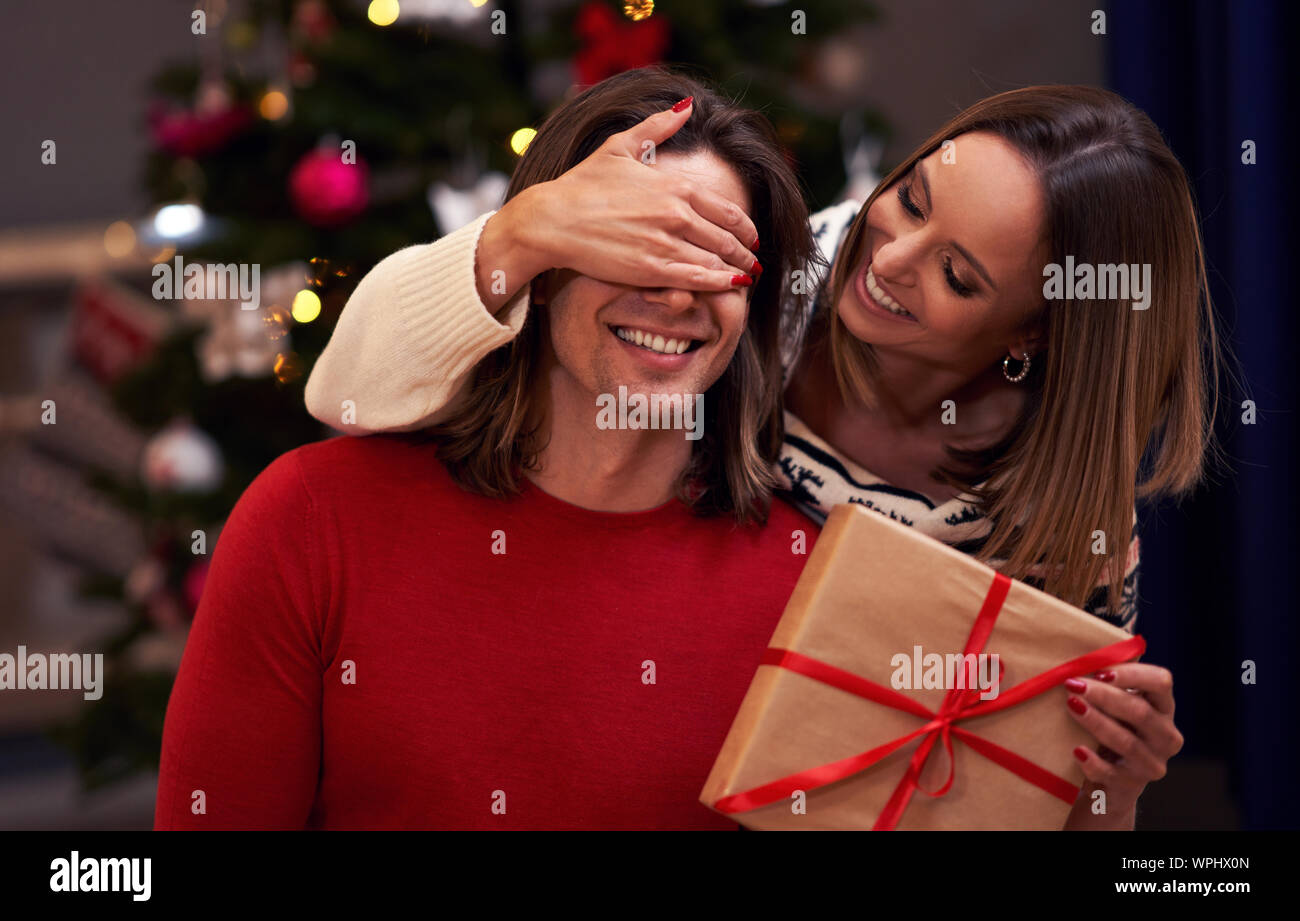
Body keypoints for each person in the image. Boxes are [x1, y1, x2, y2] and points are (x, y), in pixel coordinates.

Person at [306, 73, 1220, 829]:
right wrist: (522, 232)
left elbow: (1016, 810)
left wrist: (1111, 787)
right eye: (908, 199)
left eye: (958, 274)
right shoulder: (764, 280)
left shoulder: (1056, 525)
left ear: (1038, 333)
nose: (892, 258)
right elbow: (346, 390)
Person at [155, 70, 819, 830]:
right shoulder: (310, 522)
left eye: (714, 258)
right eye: (634, 243)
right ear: (536, 268)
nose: (675, 294)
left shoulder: (808, 589)